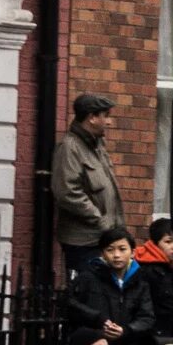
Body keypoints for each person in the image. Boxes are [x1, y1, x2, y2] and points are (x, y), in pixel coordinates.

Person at [54, 93, 124, 270]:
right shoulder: (70, 148)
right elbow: (67, 193)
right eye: (105, 116)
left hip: (101, 239)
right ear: (92, 118)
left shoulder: (97, 145)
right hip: (84, 243)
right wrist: (100, 220)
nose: (109, 122)